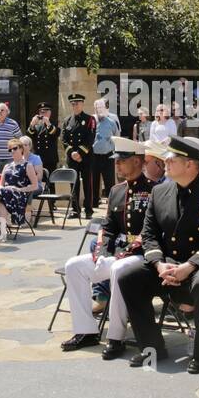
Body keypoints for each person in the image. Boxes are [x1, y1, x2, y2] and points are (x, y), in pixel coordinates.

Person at [117, 136, 199, 374]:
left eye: (172, 159)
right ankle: (152, 346)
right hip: (168, 264)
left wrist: (190, 266)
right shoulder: (159, 191)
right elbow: (149, 234)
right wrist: (159, 265)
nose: (166, 162)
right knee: (129, 276)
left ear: (190, 164)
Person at [60, 137, 156, 355]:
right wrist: (101, 251)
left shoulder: (154, 190)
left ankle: (116, 337)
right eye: (116, 160)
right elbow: (108, 226)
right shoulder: (116, 190)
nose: (117, 164)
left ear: (138, 161)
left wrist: (124, 252)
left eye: (123, 160)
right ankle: (86, 331)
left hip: (141, 255)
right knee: (74, 266)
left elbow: (151, 231)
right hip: (115, 252)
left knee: (117, 269)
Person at [0, 139, 40, 236]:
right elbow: (1, 184)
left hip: (19, 196)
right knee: (1, 198)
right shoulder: (7, 166)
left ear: (21, 149)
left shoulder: (27, 165)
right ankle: (1, 233)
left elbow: (35, 185)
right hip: (5, 194)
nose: (12, 151)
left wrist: (19, 189)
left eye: (14, 148)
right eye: (10, 149)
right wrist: (4, 188)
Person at [61, 93, 97, 219]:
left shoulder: (90, 119)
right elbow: (64, 139)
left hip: (86, 157)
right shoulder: (67, 120)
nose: (75, 106)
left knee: (88, 184)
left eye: (77, 103)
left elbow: (90, 138)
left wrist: (80, 153)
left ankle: (88, 210)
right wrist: (72, 153)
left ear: (82, 104)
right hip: (72, 158)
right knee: (74, 184)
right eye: (73, 104)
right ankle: (75, 209)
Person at [90, 99, 121, 198]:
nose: (99, 110)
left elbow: (117, 137)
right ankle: (94, 203)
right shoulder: (91, 120)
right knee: (94, 181)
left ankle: (111, 204)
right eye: (97, 108)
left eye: (101, 108)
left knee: (109, 181)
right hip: (94, 155)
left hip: (108, 155)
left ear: (104, 108)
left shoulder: (112, 121)